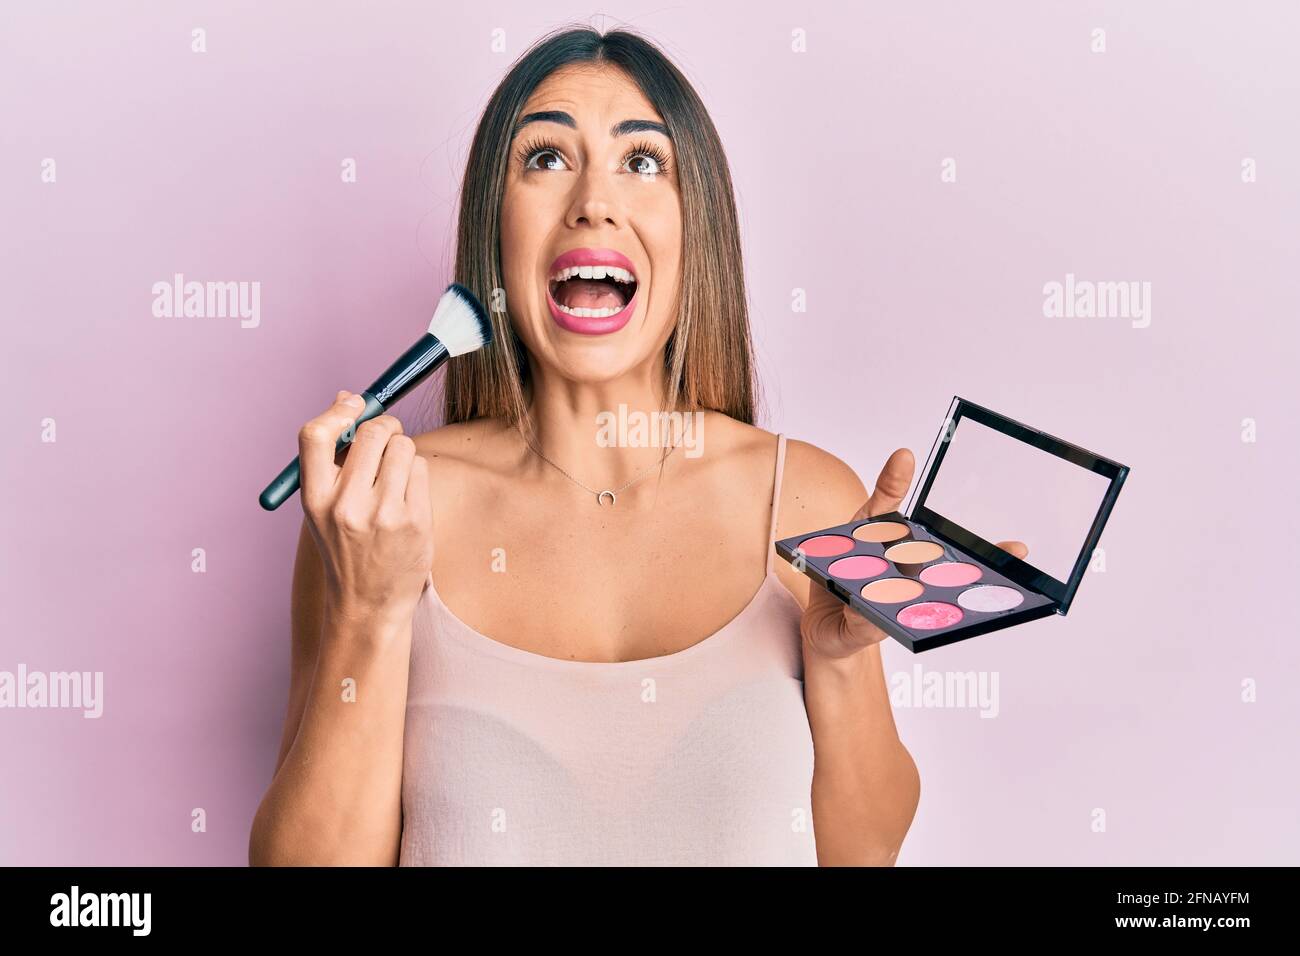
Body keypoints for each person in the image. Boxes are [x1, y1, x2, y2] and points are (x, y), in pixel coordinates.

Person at [249, 26, 933, 867]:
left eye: (643, 163)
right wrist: (369, 611)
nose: (592, 202)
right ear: (492, 230)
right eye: (544, 158)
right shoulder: (379, 509)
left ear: (697, 230)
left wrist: (840, 664)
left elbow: (860, 857)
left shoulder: (809, 499)